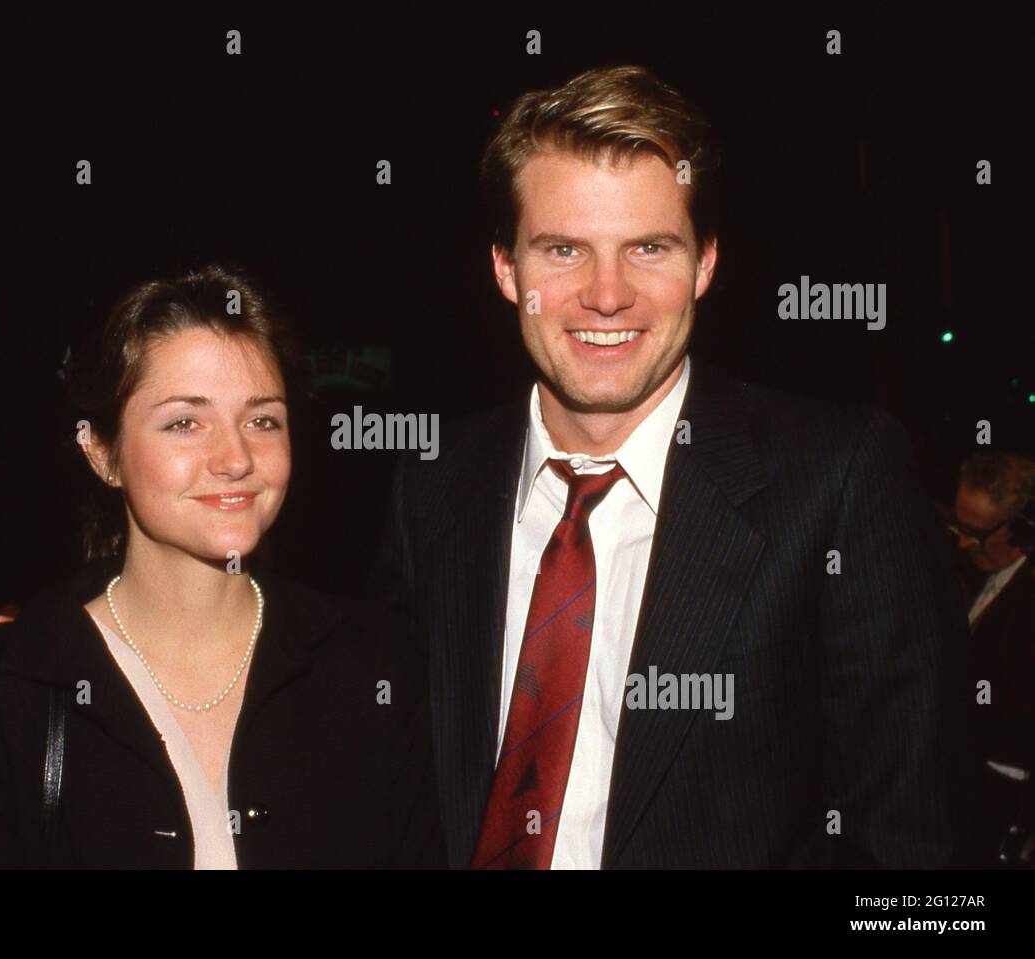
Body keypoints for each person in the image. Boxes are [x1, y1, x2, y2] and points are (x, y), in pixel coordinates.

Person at [373, 64, 971, 868]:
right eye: (563, 249)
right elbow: (395, 796)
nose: (607, 294)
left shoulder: (839, 479)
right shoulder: (433, 488)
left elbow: (910, 856)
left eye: (649, 248)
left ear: (706, 263)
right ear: (507, 270)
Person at [0, 264, 445, 868]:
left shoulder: (376, 676)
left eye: (262, 420)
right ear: (102, 453)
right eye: (184, 422)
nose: (235, 458)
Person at [944, 450, 1035, 865]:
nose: (962, 543)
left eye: (975, 533)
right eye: (957, 526)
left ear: (1019, 529)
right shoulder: (979, 573)